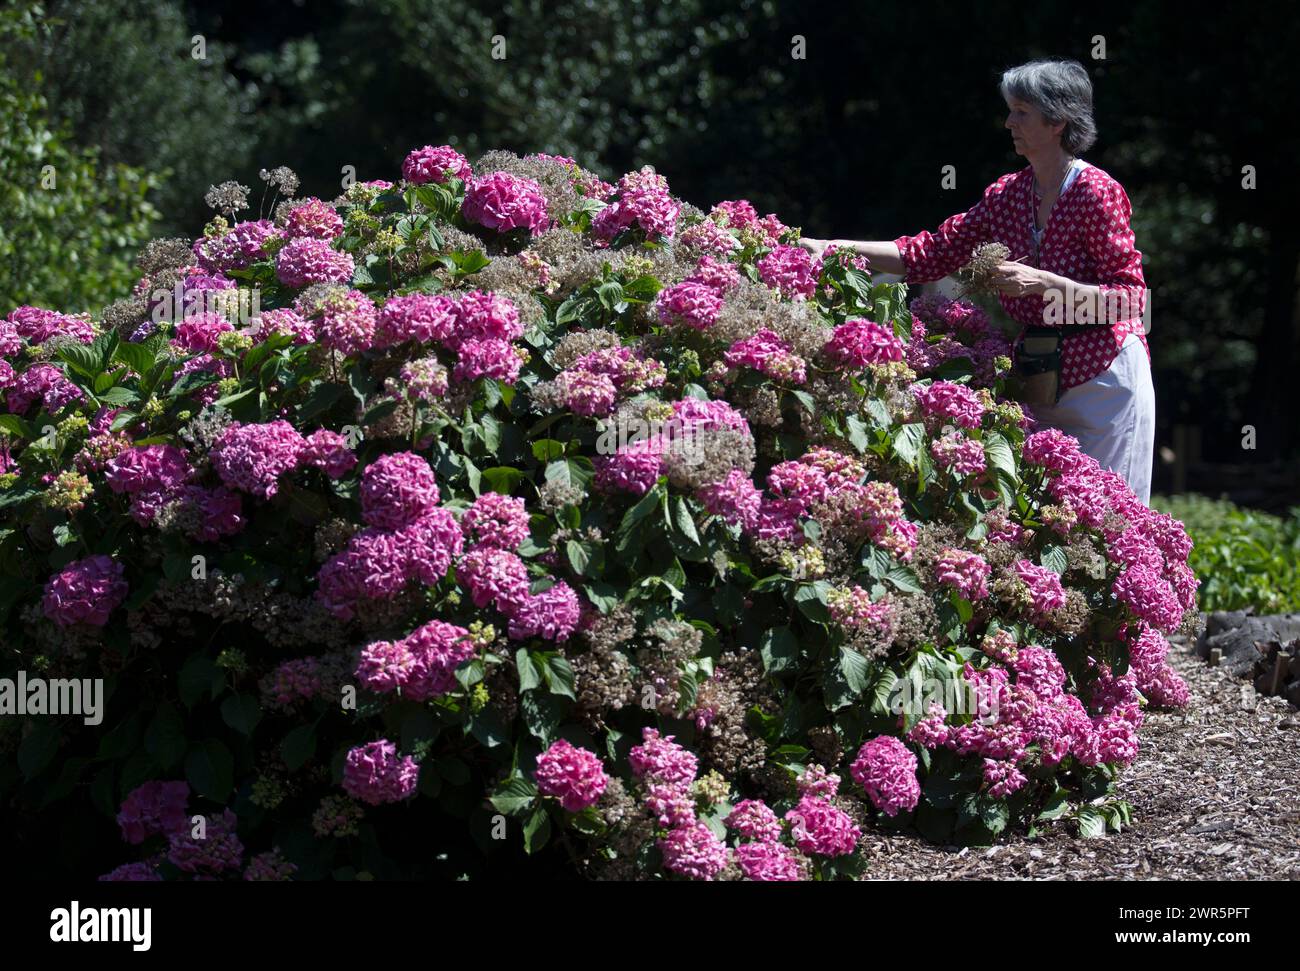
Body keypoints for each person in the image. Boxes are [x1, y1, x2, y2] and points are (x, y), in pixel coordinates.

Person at [799, 58, 1155, 504]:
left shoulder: (1094, 191)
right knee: (1048, 521)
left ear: (1057, 121)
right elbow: (928, 254)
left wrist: (1040, 282)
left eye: (1022, 111)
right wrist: (831, 248)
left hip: (1105, 384)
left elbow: (1128, 303)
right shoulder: (1008, 194)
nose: (1009, 122)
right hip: (1041, 376)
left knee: (1106, 518)